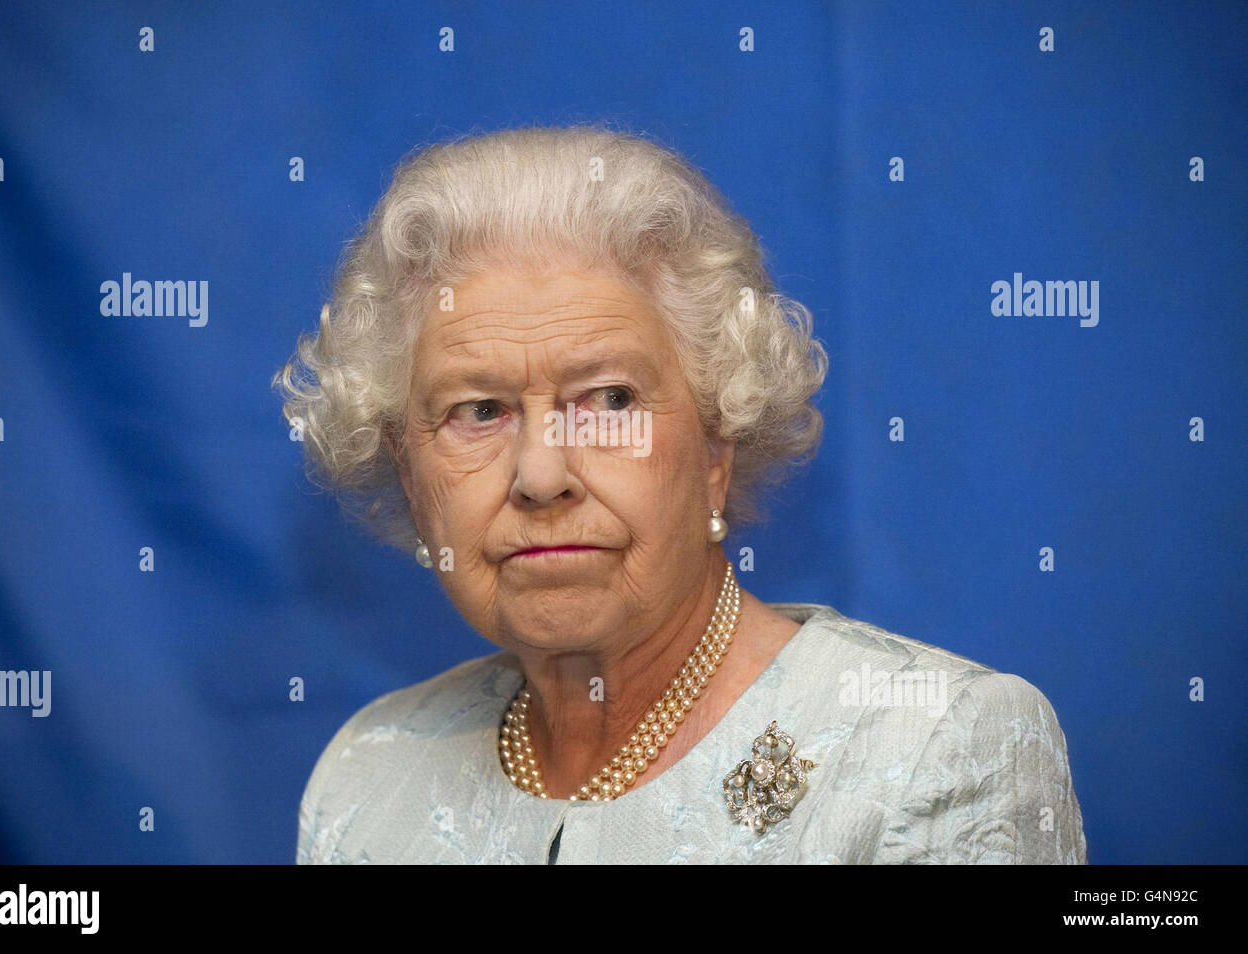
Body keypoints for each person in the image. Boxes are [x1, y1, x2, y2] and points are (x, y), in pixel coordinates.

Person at [275, 123, 1087, 863]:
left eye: (609, 401)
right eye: (478, 411)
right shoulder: (366, 778)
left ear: (715, 444)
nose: (541, 477)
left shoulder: (934, 749)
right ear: (409, 471)